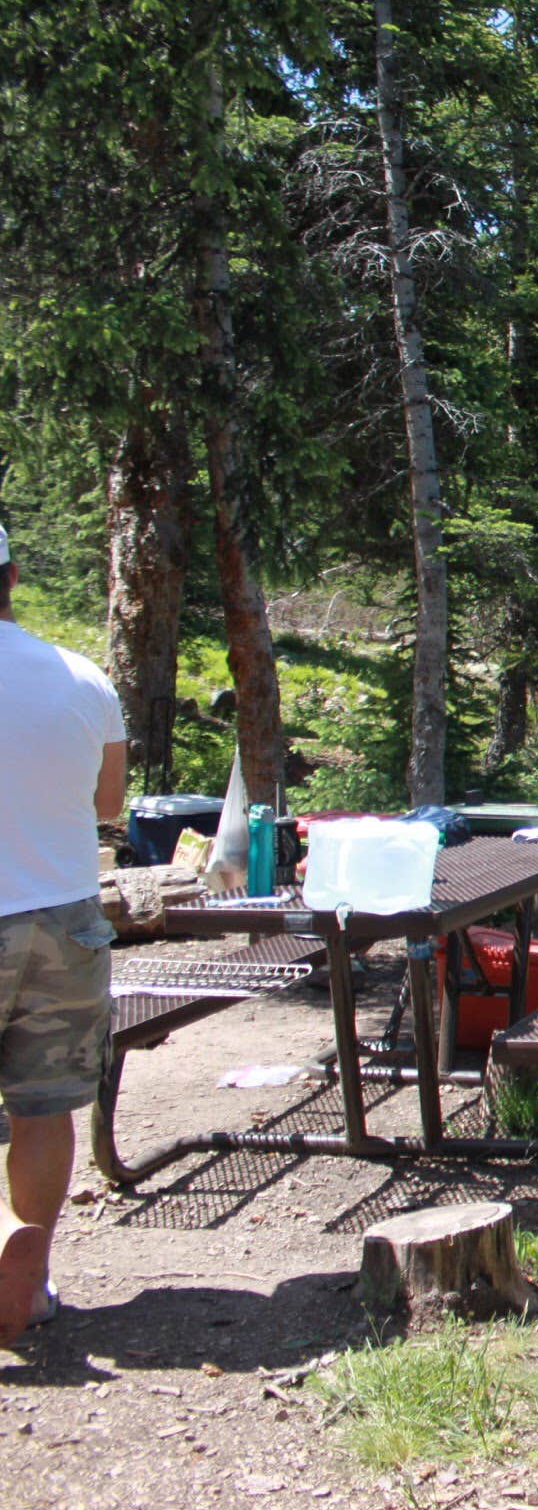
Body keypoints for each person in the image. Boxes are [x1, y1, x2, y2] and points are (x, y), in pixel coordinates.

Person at [0, 524, 128, 1345]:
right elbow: (108, 809)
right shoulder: (84, 679)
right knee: (44, 1109)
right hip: (62, 919)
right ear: (11, 575)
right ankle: (31, 1276)